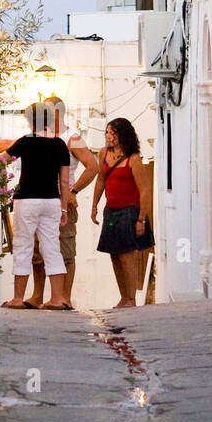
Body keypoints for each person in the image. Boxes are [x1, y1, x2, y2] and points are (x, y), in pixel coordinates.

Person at [0, 97, 99, 309]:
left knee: (25, 247)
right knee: (51, 249)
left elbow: (4, 157)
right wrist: (64, 205)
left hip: (28, 200)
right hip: (54, 201)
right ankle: (52, 298)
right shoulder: (59, 145)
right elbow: (63, 181)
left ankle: (23, 298)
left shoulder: (64, 139)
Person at [91, 117, 154, 308]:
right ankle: (123, 296)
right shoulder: (103, 154)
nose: (109, 137)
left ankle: (130, 298)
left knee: (127, 255)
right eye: (107, 133)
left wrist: (141, 219)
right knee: (114, 254)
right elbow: (101, 180)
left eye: (113, 134)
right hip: (111, 211)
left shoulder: (133, 159)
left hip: (129, 212)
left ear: (122, 135)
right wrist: (94, 205)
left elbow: (145, 190)